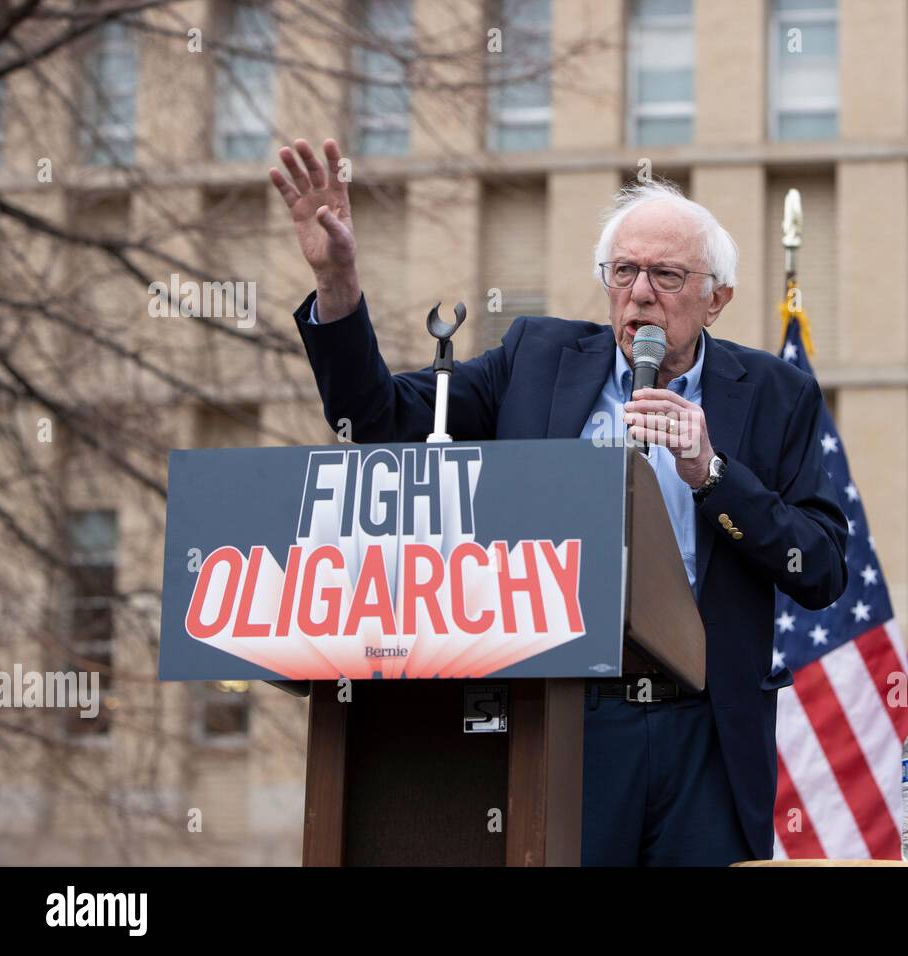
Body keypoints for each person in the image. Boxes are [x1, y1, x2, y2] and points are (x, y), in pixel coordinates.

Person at [270, 137, 848, 866]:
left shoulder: (772, 394)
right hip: (565, 718)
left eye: (667, 275)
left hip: (706, 731)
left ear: (716, 298)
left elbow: (821, 567)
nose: (640, 292)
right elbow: (376, 418)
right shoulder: (533, 360)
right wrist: (338, 287)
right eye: (624, 271)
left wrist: (712, 474)